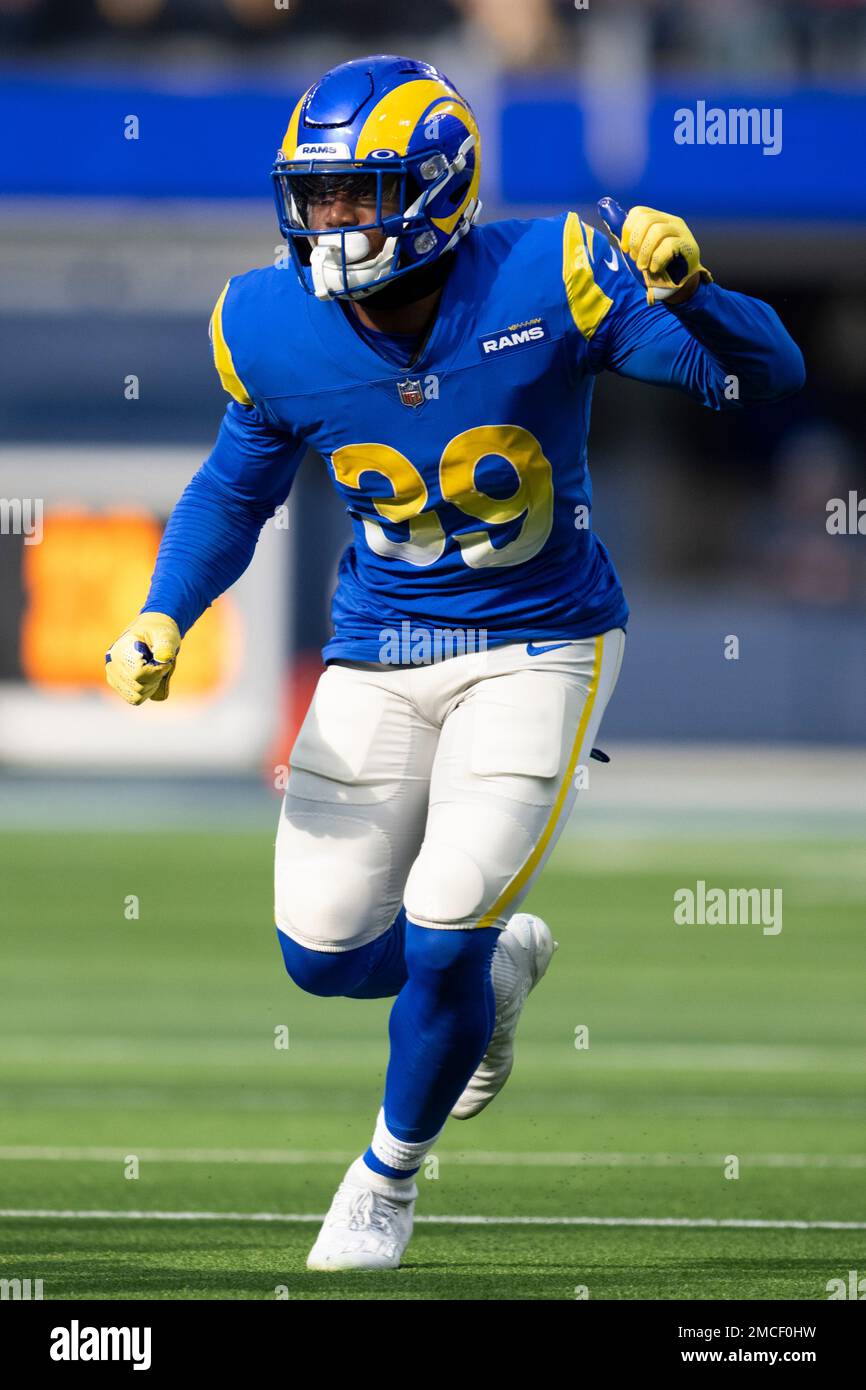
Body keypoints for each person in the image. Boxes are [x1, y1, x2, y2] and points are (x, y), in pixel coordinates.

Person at [105, 53, 805, 1272]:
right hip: (379, 644)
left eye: (358, 193)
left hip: (541, 638)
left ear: (435, 187)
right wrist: (167, 611)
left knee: (438, 926)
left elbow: (757, 377)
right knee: (321, 954)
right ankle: (493, 971)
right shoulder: (271, 323)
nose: (331, 222)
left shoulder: (551, 271)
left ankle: (385, 1177)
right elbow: (232, 490)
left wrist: (691, 295)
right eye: (316, 197)